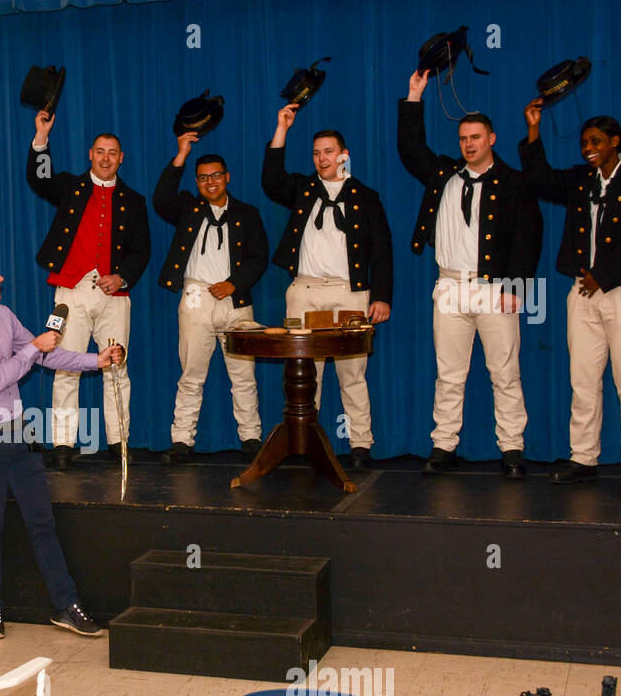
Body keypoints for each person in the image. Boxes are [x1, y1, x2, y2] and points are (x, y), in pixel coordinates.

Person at [0, 250, 120, 639]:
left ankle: (66, 606)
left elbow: (49, 355)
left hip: (18, 434)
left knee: (42, 522)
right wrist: (33, 348)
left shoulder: (3, 316)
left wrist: (97, 360)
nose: (0, 279)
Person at [399, 69, 543, 478]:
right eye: (463, 138)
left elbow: (529, 236)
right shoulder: (443, 173)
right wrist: (414, 97)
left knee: (505, 372)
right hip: (448, 285)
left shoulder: (514, 182)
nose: (468, 144)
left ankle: (512, 448)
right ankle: (444, 444)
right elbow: (410, 149)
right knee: (448, 374)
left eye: (475, 137)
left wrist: (517, 287)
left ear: (491, 139)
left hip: (495, 287)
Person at [519, 106, 621, 495]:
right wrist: (534, 131)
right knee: (582, 382)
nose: (588, 148)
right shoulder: (581, 180)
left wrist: (602, 276)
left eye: (596, 142)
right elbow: (538, 180)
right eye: (585, 143)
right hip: (581, 294)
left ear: (615, 142)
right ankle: (583, 457)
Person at [264, 105, 393, 470]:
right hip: (305, 291)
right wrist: (281, 129)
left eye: (329, 152)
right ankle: (304, 443)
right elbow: (271, 180)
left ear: (343, 155)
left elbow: (382, 249)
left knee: (353, 374)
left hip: (349, 292)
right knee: (305, 373)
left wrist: (381, 296)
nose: (322, 158)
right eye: (317, 153)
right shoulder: (303, 189)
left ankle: (360, 445)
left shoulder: (365, 197)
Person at [26, 110, 151, 470]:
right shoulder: (70, 185)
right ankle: (63, 444)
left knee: (116, 368)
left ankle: (119, 440)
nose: (106, 158)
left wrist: (122, 277)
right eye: (100, 151)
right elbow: (39, 178)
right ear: (90, 155)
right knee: (66, 367)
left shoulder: (134, 200)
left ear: (121, 158)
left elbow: (141, 250)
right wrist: (41, 139)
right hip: (71, 291)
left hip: (113, 296)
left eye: (112, 152)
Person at [152, 132, 267, 462]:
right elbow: (161, 199)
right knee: (191, 374)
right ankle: (182, 440)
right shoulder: (188, 209)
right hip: (196, 297)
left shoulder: (247, 213)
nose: (210, 182)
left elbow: (260, 256)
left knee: (243, 376)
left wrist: (234, 283)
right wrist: (181, 154)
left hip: (236, 299)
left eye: (216, 175)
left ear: (227, 177)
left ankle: (251, 437)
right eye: (203, 178)